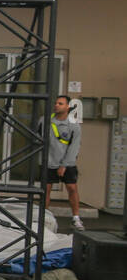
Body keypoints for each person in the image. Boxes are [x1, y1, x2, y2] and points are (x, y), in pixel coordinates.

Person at [45, 94, 84, 231]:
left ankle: (76, 218)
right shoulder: (46, 121)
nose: (56, 105)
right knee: (46, 190)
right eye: (56, 103)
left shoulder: (73, 125)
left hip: (68, 163)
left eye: (60, 103)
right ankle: (44, 218)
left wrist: (64, 165)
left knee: (72, 189)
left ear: (68, 107)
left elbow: (74, 147)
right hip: (49, 162)